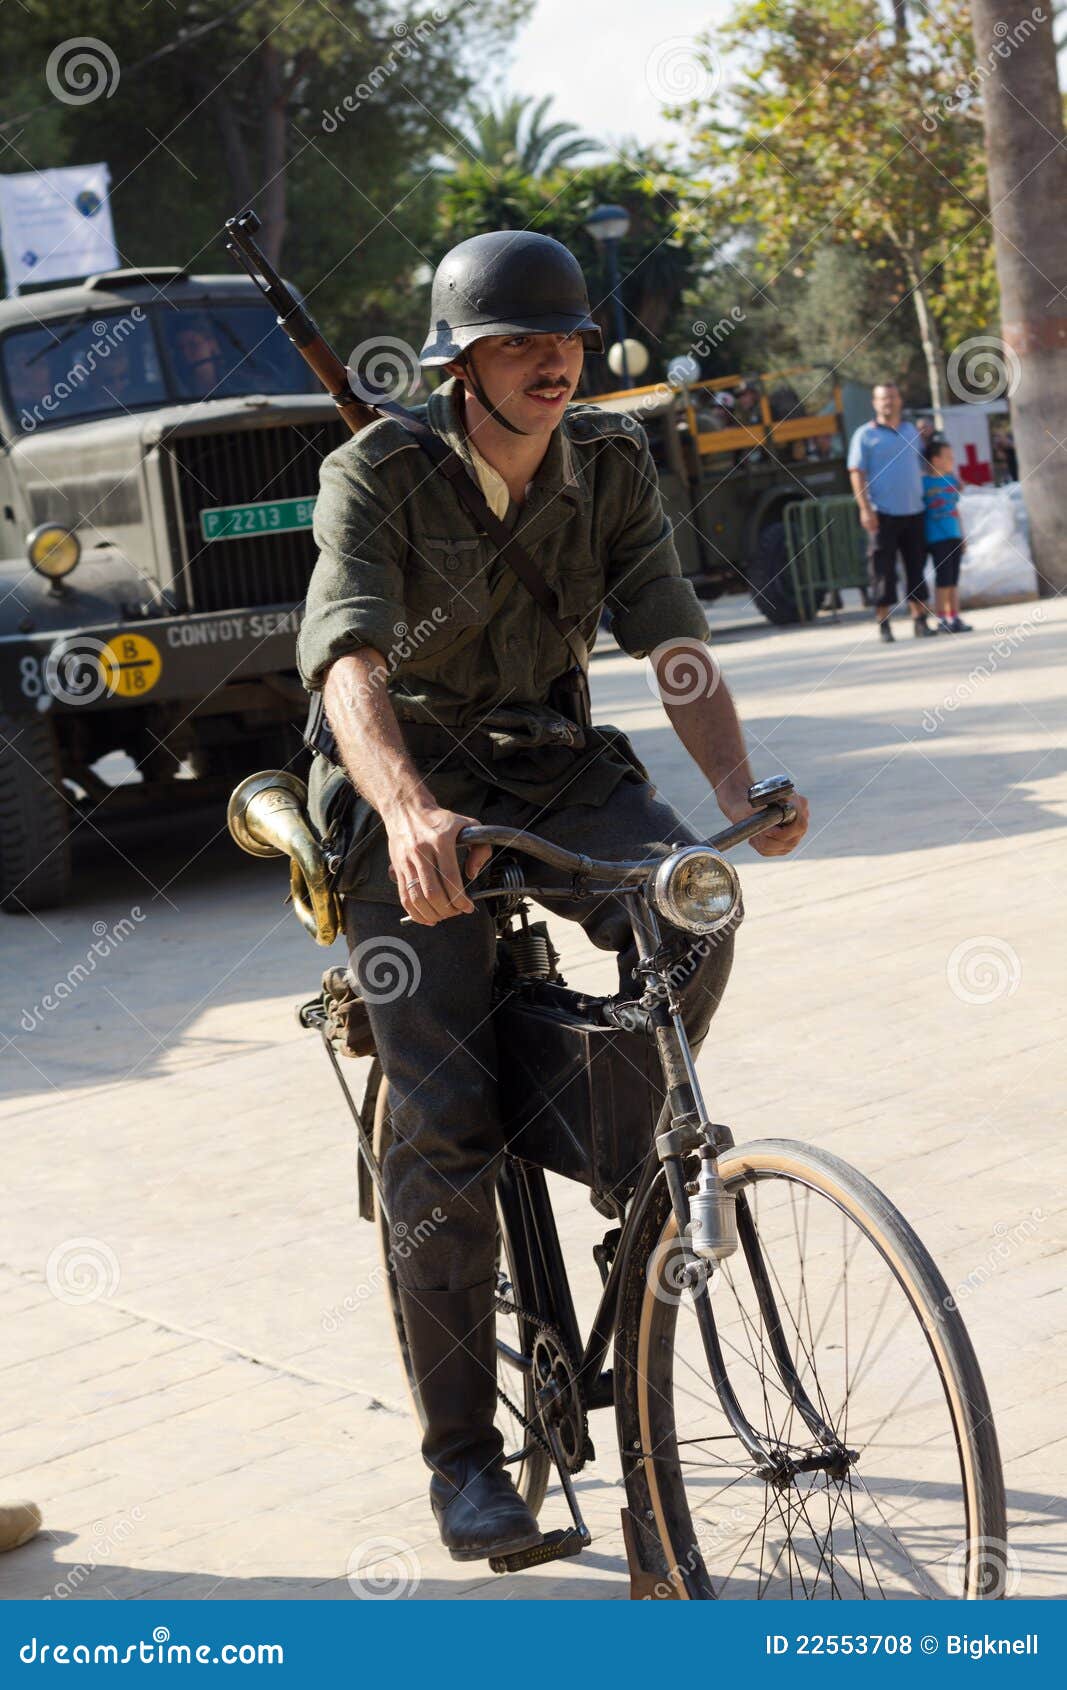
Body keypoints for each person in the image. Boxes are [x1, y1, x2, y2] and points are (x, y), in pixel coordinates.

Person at [295, 230, 810, 1563]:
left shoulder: (608, 466)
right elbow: (348, 660)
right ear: (460, 363)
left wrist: (740, 788)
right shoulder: (376, 473)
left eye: (567, 338)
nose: (552, 361)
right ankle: (465, 1461)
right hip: (409, 794)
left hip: (550, 766)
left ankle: (622, 1169)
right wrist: (407, 810)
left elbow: (673, 642)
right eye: (522, 341)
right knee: (446, 1125)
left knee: (695, 906)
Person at [848, 381, 937, 642]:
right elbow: (856, 473)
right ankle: (884, 624)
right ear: (875, 403)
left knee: (916, 566)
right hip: (882, 513)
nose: (888, 402)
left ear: (900, 400)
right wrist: (865, 509)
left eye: (892, 397)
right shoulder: (864, 435)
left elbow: (924, 464)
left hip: (914, 510)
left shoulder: (912, 432)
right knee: (882, 569)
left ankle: (920, 620)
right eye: (883, 398)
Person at [922, 437, 971, 633]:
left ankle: (955, 616)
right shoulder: (923, 483)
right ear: (935, 459)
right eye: (947, 457)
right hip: (936, 538)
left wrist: (962, 535)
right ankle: (942, 618)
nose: (952, 459)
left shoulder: (951, 481)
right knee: (943, 580)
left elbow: (955, 509)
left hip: (954, 535)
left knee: (954, 580)